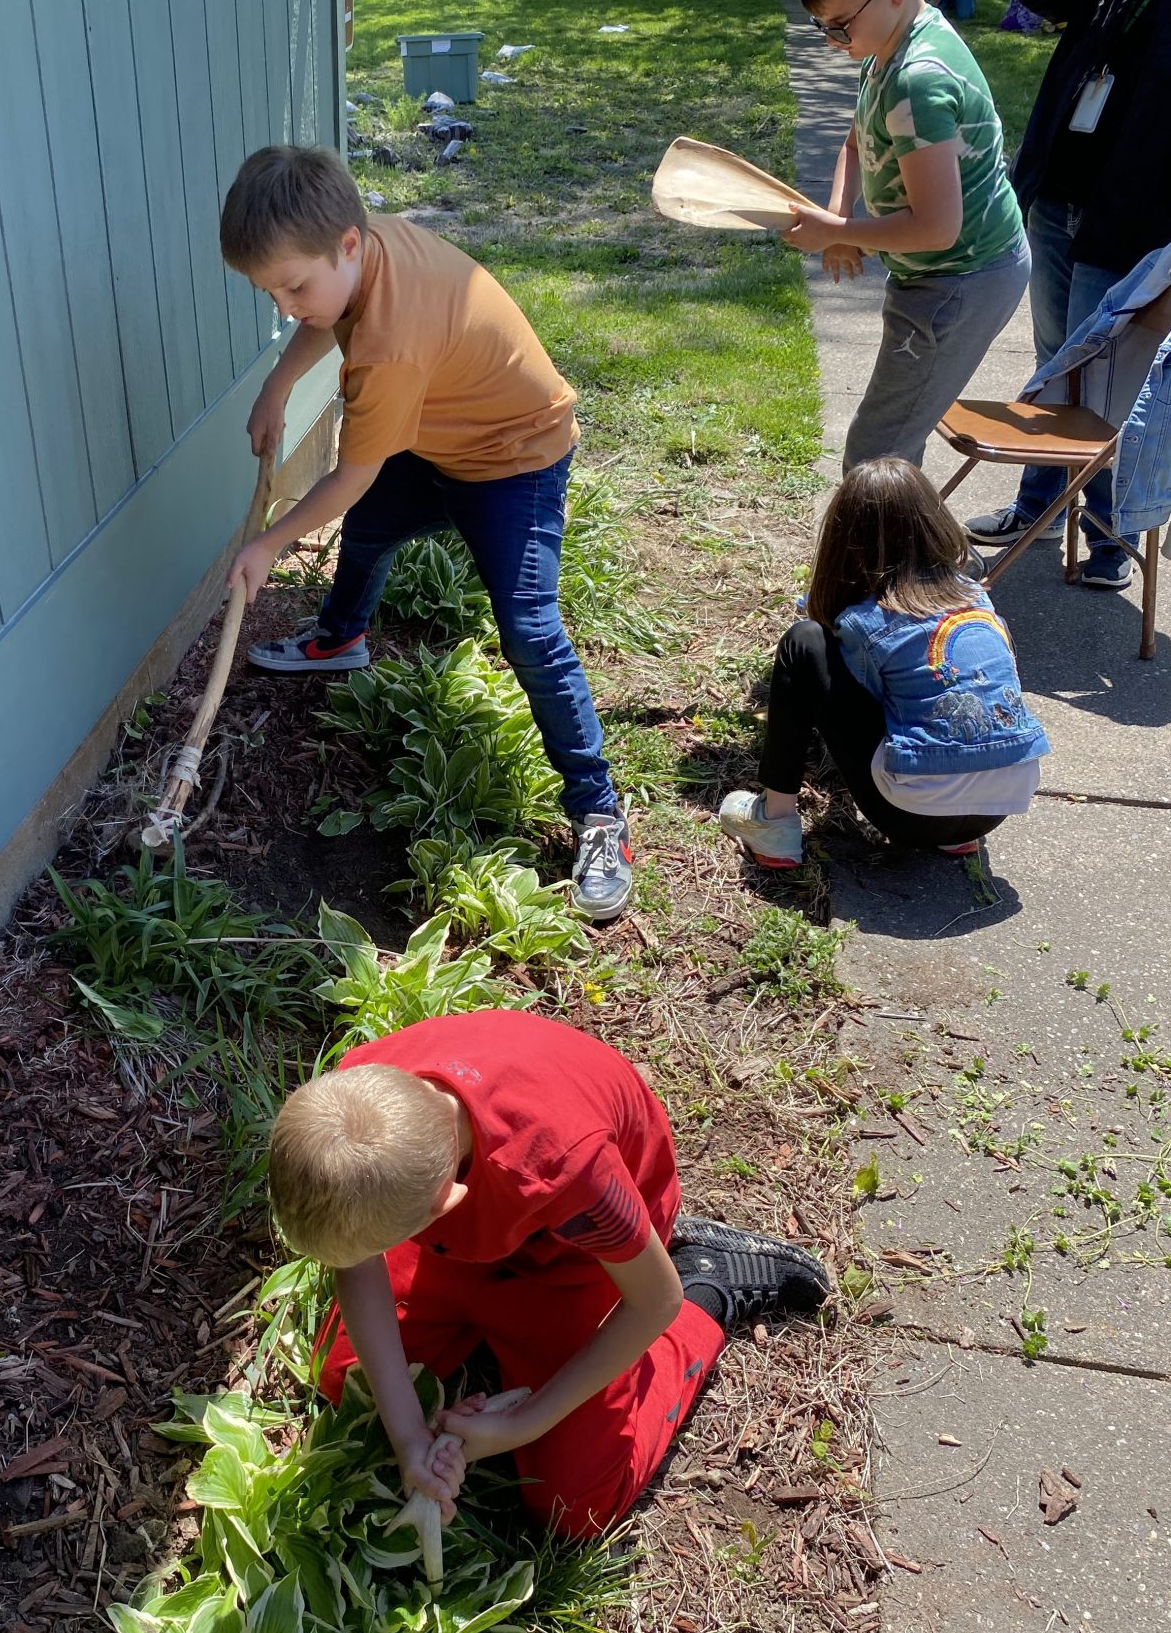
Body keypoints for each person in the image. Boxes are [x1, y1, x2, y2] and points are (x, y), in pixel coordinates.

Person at [218, 145, 633, 922]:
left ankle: (599, 813)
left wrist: (270, 541)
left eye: (291, 286)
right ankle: (341, 637)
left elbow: (351, 476)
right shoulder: (362, 242)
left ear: (347, 244)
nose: (284, 306)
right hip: (441, 436)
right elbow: (324, 311)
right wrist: (279, 383)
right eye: (268, 290)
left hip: (515, 457)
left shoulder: (391, 343)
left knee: (530, 632)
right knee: (372, 530)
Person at [268, 1011, 831, 1538]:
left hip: (575, 1259)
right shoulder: (358, 1107)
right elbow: (358, 1267)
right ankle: (487, 1310)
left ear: (447, 1206)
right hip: (487, 1229)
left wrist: (526, 1424)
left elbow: (652, 1302)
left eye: (384, 1245)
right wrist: (408, 1436)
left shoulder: (567, 1172)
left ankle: (708, 1284)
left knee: (577, 1505)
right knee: (350, 1382)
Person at [964, 0, 1171, 592]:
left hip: (1138, 212)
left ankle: (1109, 538)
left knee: (1101, 380)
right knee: (1059, 360)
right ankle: (1045, 506)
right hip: (1061, 191)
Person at [785, 0, 1030, 473]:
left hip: (961, 277)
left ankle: (904, 563)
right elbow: (853, 143)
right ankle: (910, 558)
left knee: (878, 454)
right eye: (822, 28)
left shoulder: (918, 79)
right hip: (939, 271)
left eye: (839, 26)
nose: (831, 42)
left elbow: (936, 227)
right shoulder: (886, 48)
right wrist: (838, 221)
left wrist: (841, 233)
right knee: (890, 442)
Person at [717, 458, 1049, 869]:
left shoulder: (865, 620)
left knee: (805, 643)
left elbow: (852, 686)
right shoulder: (973, 594)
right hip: (996, 809)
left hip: (910, 815)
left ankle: (774, 821)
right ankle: (955, 838)